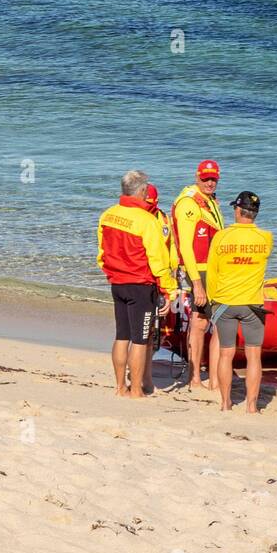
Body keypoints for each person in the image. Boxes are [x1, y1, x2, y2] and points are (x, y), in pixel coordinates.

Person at [96, 170, 177, 400]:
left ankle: (120, 386)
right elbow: (158, 261)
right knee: (140, 340)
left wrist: (110, 272)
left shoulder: (108, 215)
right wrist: (169, 291)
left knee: (122, 336)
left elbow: (102, 253)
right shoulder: (147, 221)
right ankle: (136, 390)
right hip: (140, 285)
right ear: (142, 191)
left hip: (117, 284)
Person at [205, 192, 273, 414]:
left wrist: (212, 302)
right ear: (255, 213)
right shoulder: (266, 238)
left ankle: (225, 403)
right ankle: (252, 406)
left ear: (237, 210)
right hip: (252, 304)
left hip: (224, 302)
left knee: (226, 354)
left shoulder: (221, 237)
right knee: (254, 356)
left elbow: (212, 272)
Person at [171, 160, 225, 391]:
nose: (210, 182)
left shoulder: (210, 200)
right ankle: (195, 378)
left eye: (213, 179)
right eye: (205, 178)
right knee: (200, 323)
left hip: (213, 269)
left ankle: (213, 378)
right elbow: (186, 247)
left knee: (217, 322)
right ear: (197, 176)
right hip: (200, 270)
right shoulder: (189, 205)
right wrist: (197, 284)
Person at [141, 183, 179, 395]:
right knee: (141, 334)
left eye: (152, 205)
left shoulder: (163, 220)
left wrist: (172, 282)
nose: (149, 208)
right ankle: (142, 375)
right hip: (141, 281)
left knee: (154, 333)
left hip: (161, 281)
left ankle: (146, 372)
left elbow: (170, 249)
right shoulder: (136, 219)